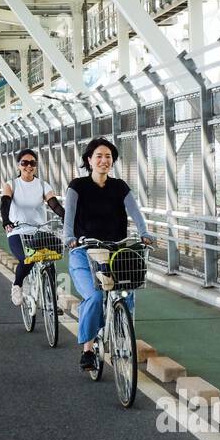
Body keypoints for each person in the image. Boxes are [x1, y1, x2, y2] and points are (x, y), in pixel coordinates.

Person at [63, 137, 151, 372]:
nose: (104, 160)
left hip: (114, 252)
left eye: (108, 157)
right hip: (84, 253)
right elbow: (68, 216)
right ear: (89, 160)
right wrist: (69, 238)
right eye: (99, 156)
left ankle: (121, 330)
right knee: (93, 296)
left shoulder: (120, 186)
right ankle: (89, 350)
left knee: (127, 291)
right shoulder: (77, 186)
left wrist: (144, 232)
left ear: (113, 161)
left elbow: (135, 212)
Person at [0, 149, 65, 306]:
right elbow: (5, 203)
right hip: (18, 231)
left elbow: (53, 203)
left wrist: (66, 216)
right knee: (27, 258)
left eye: (32, 163)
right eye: (24, 163)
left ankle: (52, 297)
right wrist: (6, 220)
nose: (28, 166)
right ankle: (17, 285)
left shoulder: (42, 185)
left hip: (40, 230)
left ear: (36, 166)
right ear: (19, 166)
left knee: (53, 255)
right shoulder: (11, 184)